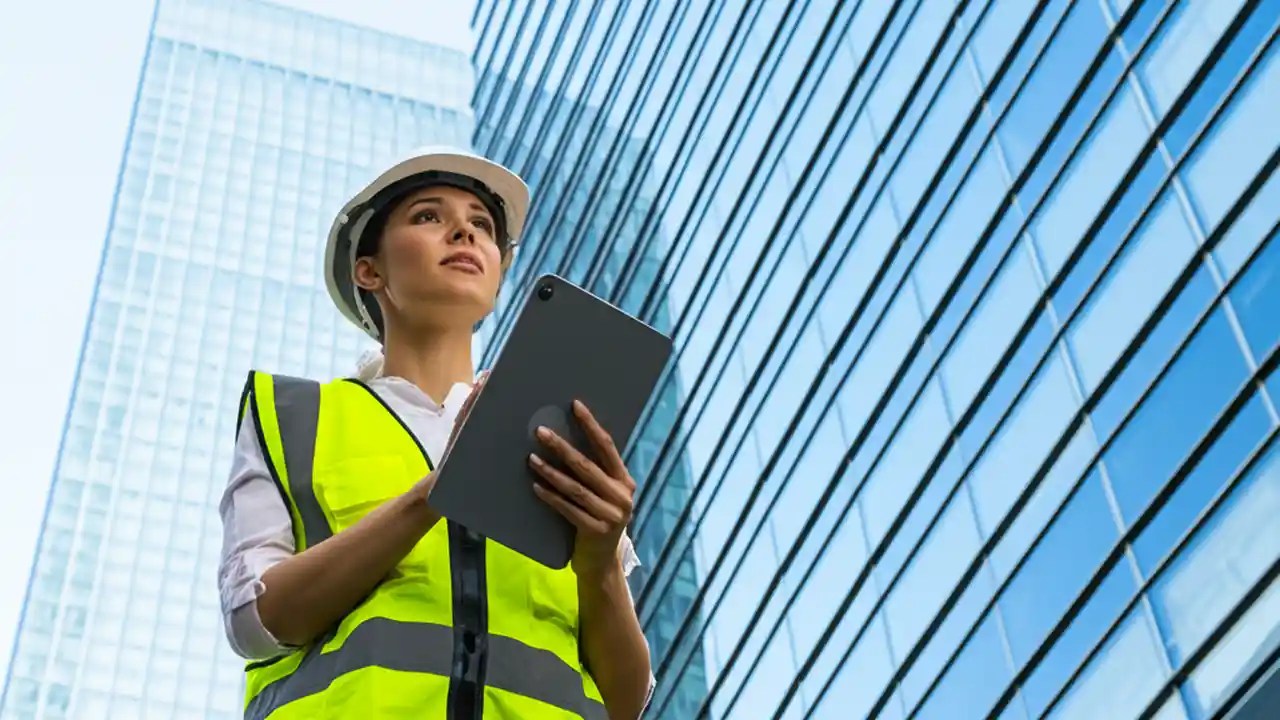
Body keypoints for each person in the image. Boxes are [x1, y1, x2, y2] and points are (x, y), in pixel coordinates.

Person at [217, 147, 654, 720]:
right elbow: (255, 621)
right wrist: (436, 492)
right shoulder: (297, 415)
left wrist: (598, 563)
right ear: (369, 270)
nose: (464, 234)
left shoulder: (556, 434)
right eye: (429, 216)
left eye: (482, 226)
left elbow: (625, 702)